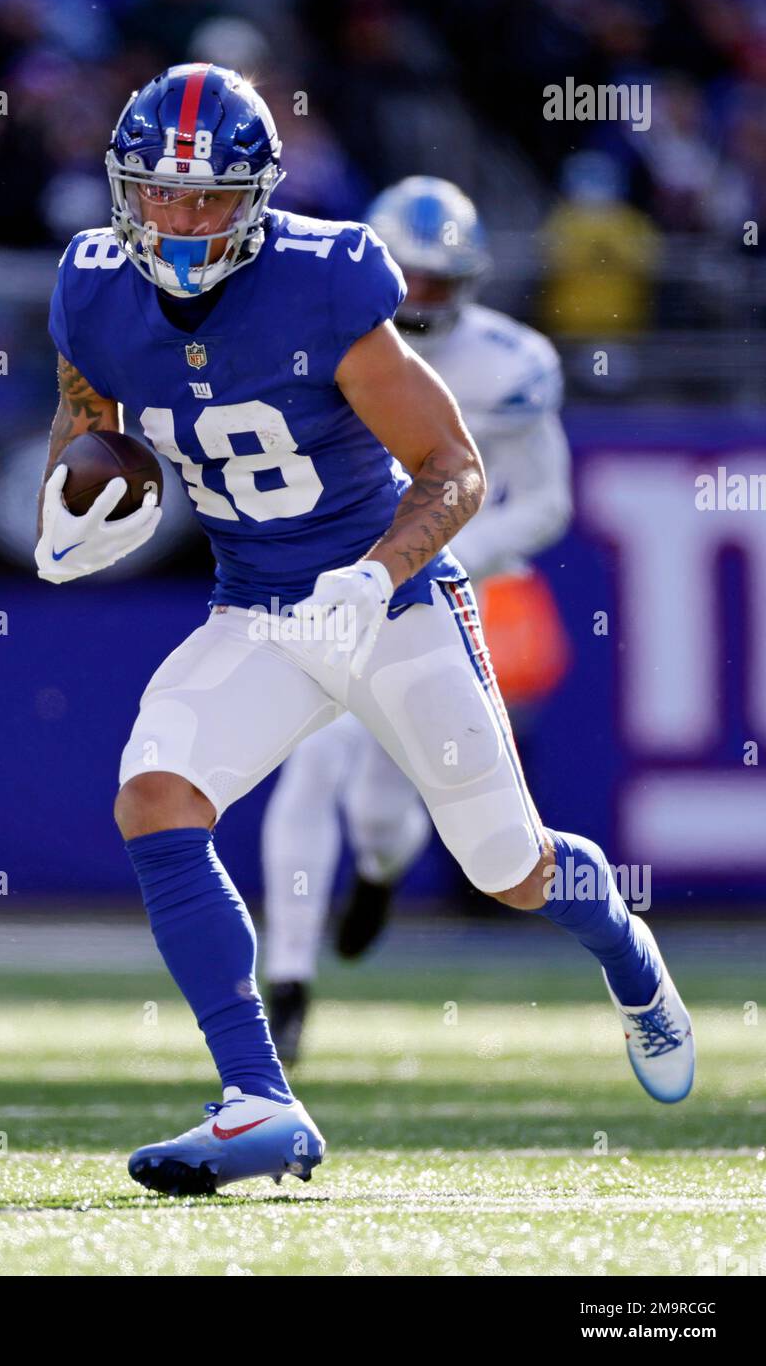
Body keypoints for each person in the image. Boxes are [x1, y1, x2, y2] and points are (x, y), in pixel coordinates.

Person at [34, 64, 694, 1198]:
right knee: (155, 791)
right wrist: (69, 514)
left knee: (508, 866)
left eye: (207, 199)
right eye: (157, 194)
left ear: (257, 196)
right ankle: (259, 1098)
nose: (180, 221)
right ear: (121, 191)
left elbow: (454, 467)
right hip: (255, 606)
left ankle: (631, 964)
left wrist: (375, 571)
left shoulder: (319, 279)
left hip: (388, 601)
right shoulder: (92, 288)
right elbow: (84, 431)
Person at [262, 177, 574, 1063]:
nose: (426, 297)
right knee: (312, 765)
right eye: (414, 278)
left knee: (387, 806)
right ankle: (287, 980)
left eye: (441, 282)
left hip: (438, 595)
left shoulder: (509, 364)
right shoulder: (319, 338)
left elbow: (547, 503)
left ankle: (377, 873)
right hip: (335, 586)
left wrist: (436, 553)